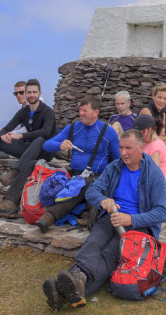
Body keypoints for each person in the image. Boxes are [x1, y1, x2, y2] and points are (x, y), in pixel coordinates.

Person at [41, 129, 166, 311]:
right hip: (111, 218)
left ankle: (64, 292)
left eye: (128, 148)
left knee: (109, 254)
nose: (123, 152)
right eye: (121, 147)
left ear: (141, 148)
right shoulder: (115, 167)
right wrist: (103, 200)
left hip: (139, 227)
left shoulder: (154, 174)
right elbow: (93, 191)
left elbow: (161, 213)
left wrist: (130, 219)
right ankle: (76, 283)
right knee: (93, 243)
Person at [32, 96, 121, 231]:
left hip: (95, 177)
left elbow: (117, 160)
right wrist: (60, 145)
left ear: (96, 112)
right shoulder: (73, 128)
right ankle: (10, 202)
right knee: (34, 165)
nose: (81, 113)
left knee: (84, 183)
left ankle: (50, 216)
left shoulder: (108, 132)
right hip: (73, 173)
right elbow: (47, 145)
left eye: (85, 110)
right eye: (80, 110)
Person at [134, 114, 166, 180]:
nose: (138, 136)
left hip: (153, 187)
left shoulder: (156, 147)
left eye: (140, 132)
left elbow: (152, 175)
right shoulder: (147, 143)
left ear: (149, 130)